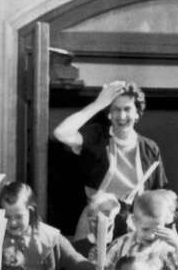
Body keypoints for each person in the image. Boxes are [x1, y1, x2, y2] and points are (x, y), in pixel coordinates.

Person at [52, 80, 167, 216]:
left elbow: (158, 194)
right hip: (96, 219)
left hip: (136, 222)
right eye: (116, 109)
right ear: (109, 113)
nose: (122, 116)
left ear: (137, 113)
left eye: (127, 109)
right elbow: (61, 133)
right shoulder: (96, 137)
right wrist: (98, 104)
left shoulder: (150, 148)